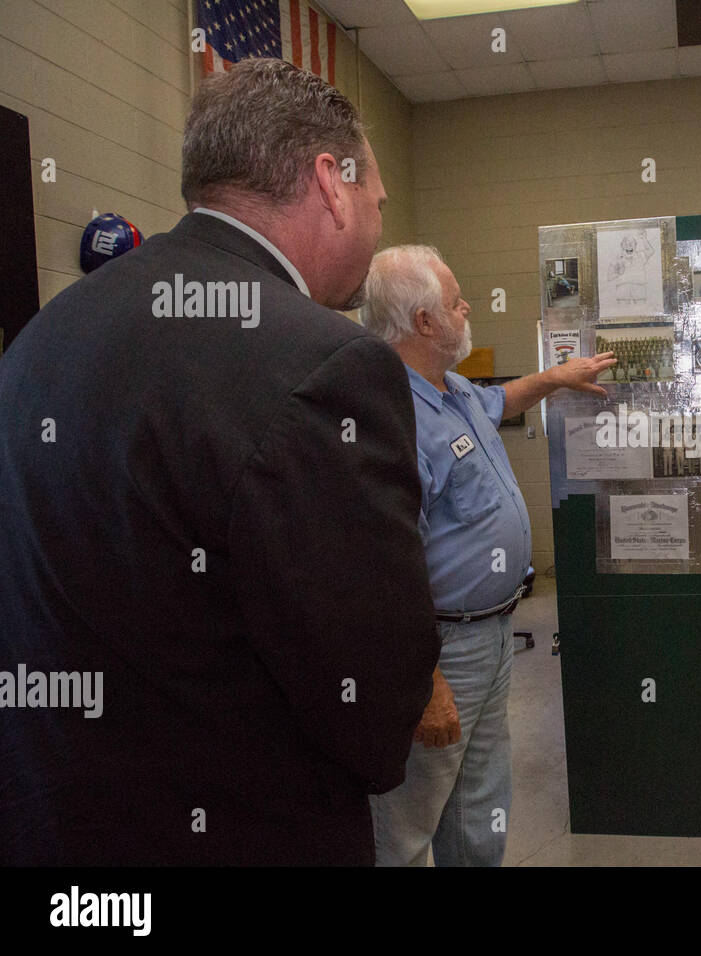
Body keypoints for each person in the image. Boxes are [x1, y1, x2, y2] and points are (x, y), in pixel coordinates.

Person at [0, 59, 441, 865]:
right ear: (331, 184)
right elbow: (374, 708)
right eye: (376, 202)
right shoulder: (326, 365)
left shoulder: (42, 340)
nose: (377, 224)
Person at [361, 245, 615, 866]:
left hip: (494, 633)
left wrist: (557, 378)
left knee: (478, 805)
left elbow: (504, 401)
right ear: (424, 322)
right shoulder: (393, 416)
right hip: (443, 648)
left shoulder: (453, 391)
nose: (467, 307)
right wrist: (426, 680)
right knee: (410, 821)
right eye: (455, 300)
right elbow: (381, 570)